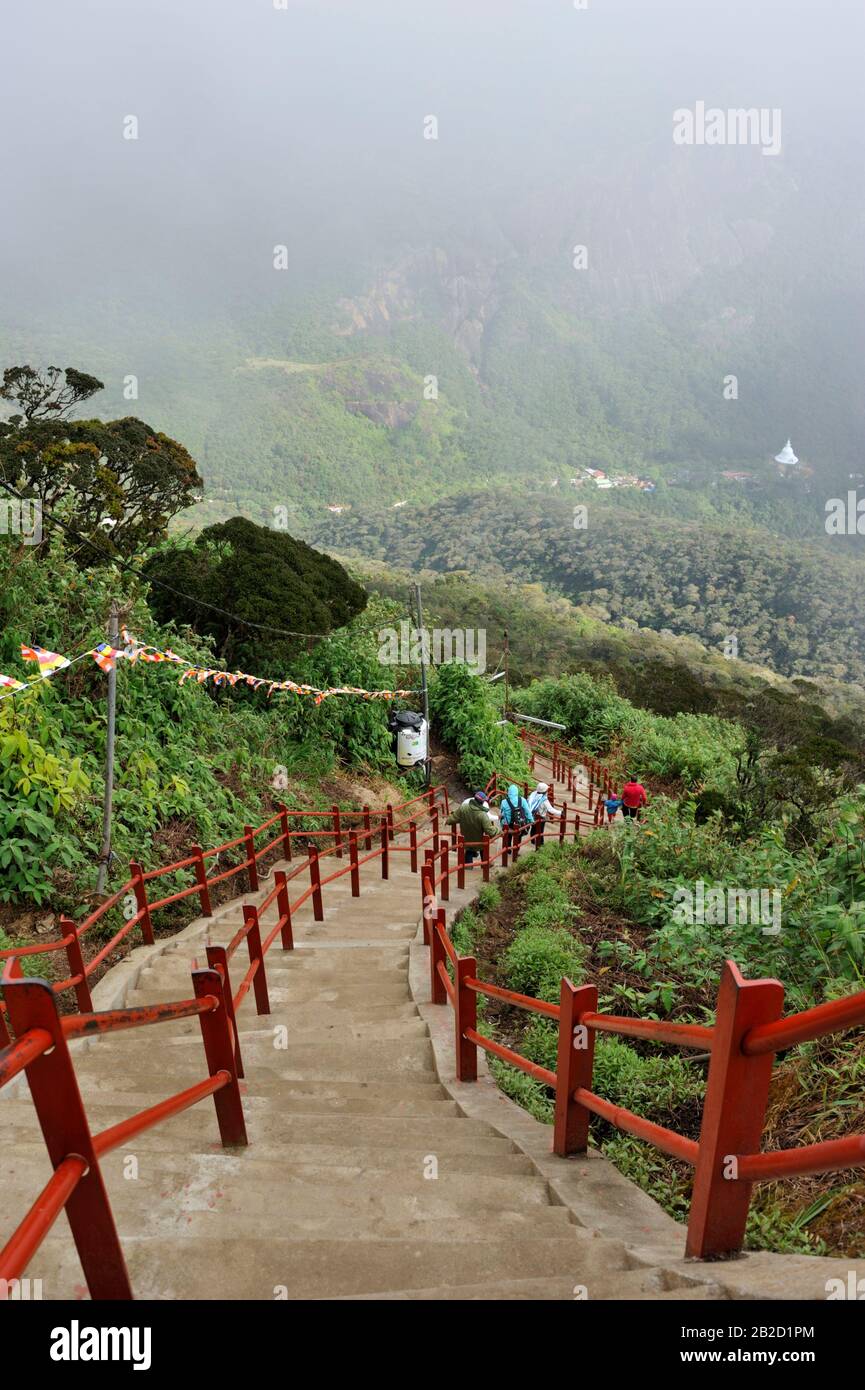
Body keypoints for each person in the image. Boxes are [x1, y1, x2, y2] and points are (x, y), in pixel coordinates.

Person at [447, 790, 498, 867]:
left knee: (469, 849)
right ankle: (485, 864)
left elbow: (452, 819)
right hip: (479, 839)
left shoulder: (463, 808)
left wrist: (447, 821)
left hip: (465, 836)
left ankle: (468, 866)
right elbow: (489, 830)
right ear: (482, 802)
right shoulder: (482, 814)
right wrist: (498, 831)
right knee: (483, 847)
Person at [499, 783, 533, 849]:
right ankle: (516, 851)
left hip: (507, 824)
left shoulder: (504, 802)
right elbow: (527, 811)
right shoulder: (522, 800)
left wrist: (502, 823)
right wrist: (531, 820)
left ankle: (507, 849)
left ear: (508, 792)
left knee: (508, 836)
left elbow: (502, 813)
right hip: (519, 822)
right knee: (518, 836)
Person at [527, 781, 561, 848]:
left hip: (533, 815)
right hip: (541, 817)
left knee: (533, 828)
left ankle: (533, 840)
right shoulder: (544, 800)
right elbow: (550, 809)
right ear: (545, 791)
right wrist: (560, 812)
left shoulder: (532, 795)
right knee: (540, 831)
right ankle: (540, 844)